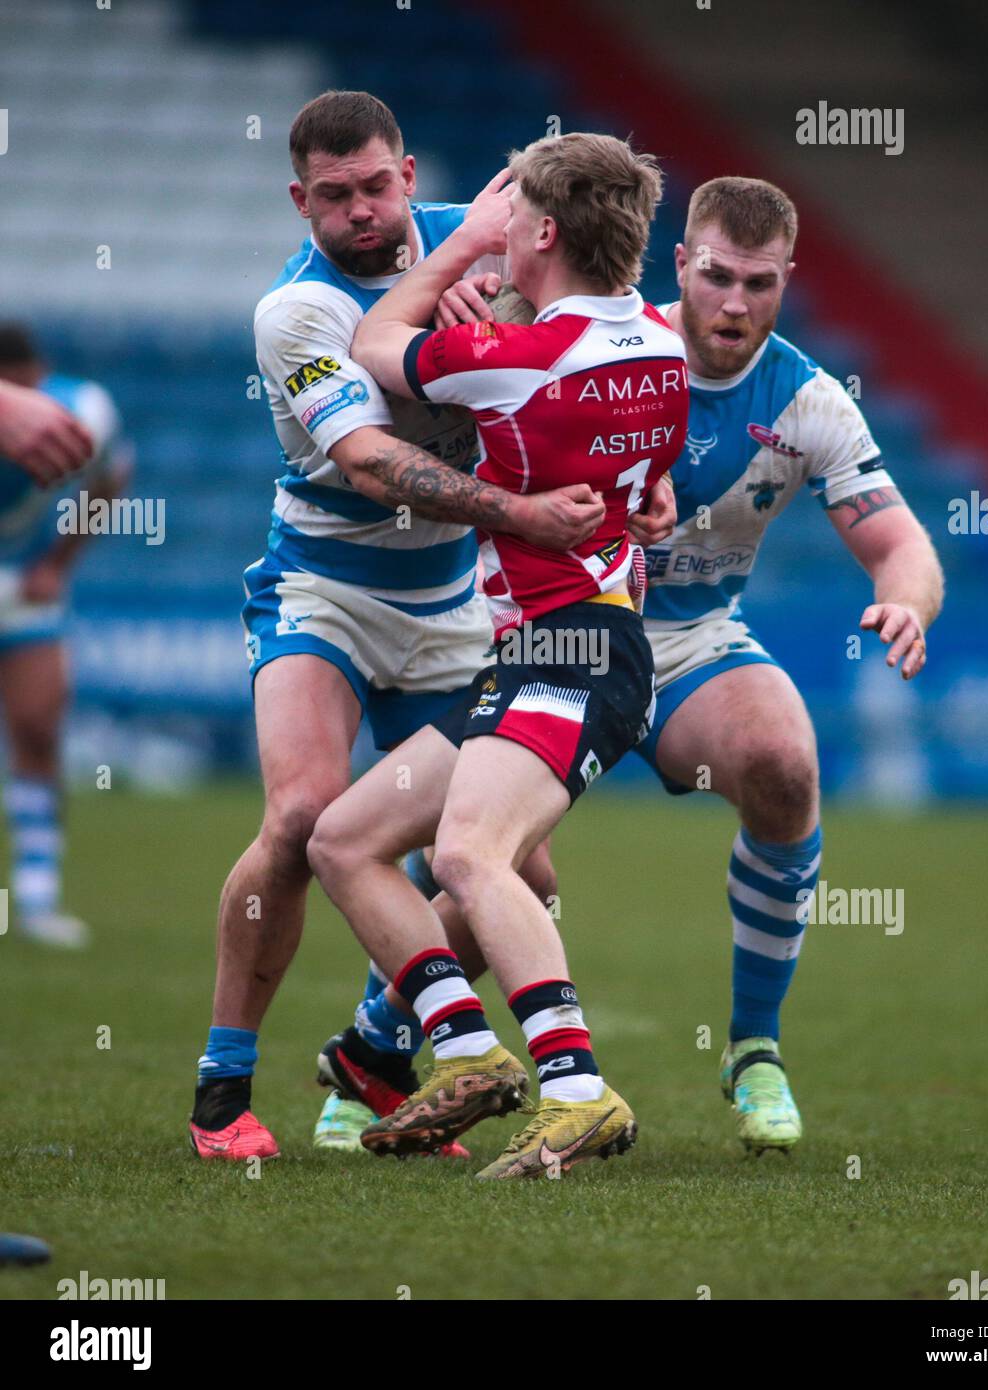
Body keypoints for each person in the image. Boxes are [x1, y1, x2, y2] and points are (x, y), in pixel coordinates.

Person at [356, 174, 946, 1157]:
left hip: (690, 644)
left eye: (758, 284)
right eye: (715, 275)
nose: (733, 302)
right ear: (679, 264)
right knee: (494, 868)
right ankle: (375, 1051)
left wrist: (905, 600)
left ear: (786, 281)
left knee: (781, 759)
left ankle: (753, 1043)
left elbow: (901, 542)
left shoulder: (806, 401)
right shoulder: (620, 338)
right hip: (548, 631)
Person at [187, 91, 618, 1162]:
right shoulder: (296, 314)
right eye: (333, 197)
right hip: (323, 587)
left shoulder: (493, 252)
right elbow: (374, 464)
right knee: (300, 817)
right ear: (301, 201)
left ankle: (375, 1056)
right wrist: (520, 513)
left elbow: (578, 364)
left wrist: (630, 486)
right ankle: (221, 1088)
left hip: (448, 604)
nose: (361, 211)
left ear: (410, 174)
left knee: (525, 874)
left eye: (376, 186)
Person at [306, 132, 688, 1179]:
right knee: (344, 840)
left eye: (513, 214)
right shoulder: (661, 340)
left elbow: (375, 342)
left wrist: (458, 248)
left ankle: (574, 1090)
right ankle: (464, 1049)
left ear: (542, 231)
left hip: (570, 648)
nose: (501, 226)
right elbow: (648, 484)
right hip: (558, 646)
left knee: (473, 855)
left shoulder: (513, 356)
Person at [0, 323, 132, 948]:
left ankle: (35, 896)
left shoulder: (81, 411)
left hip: (23, 591)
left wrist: (57, 563)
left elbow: (110, 481)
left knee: (36, 729)